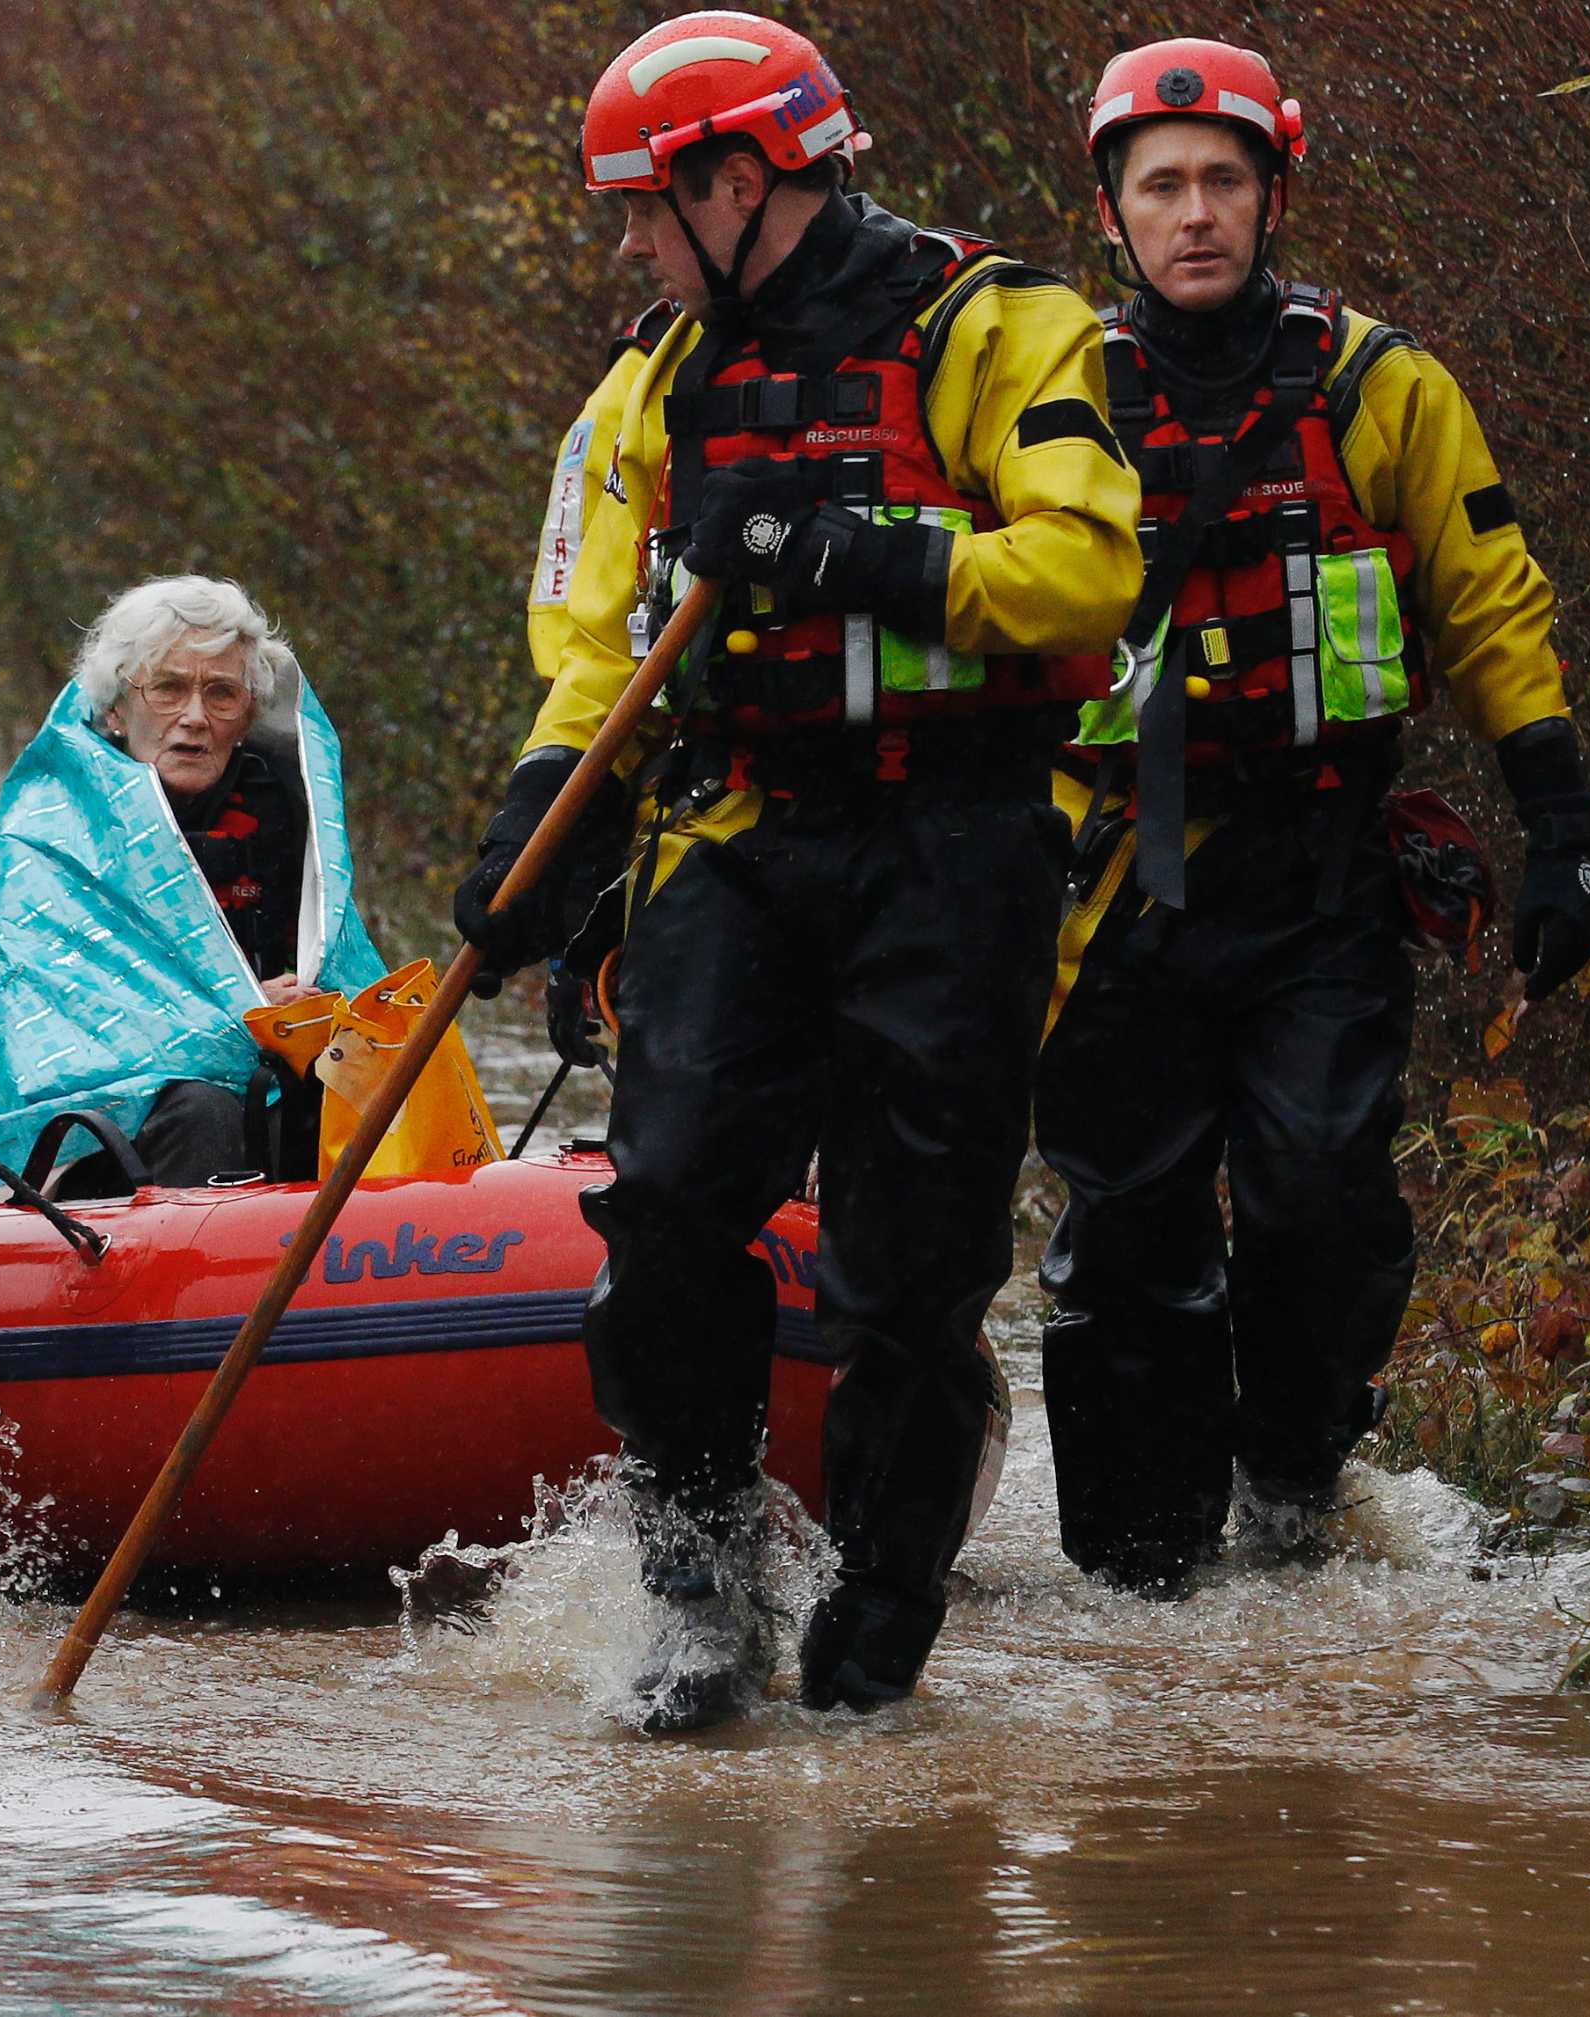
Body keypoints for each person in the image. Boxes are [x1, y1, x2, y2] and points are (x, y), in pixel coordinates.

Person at [457, 11, 1141, 1730]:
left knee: (913, 1269)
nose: (627, 247)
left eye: (640, 208)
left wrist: (854, 552)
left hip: (959, 840)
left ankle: (883, 1620)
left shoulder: (1005, 323)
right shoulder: (654, 383)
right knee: (670, 1206)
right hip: (741, 831)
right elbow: (593, 636)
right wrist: (542, 811)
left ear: (741, 180)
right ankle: (699, 1588)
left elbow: (1082, 570)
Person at [1033, 39, 1590, 1591]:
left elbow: (1492, 602)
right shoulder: (1049, 391)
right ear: (1112, 212)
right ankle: (1141, 1578)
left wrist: (1559, 828)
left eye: (1225, 180)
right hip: (1115, 886)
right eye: (1163, 186)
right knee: (1134, 1226)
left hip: (1320, 873)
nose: (1196, 213)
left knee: (1322, 1198)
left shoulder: (1378, 385)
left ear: (1274, 193)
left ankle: (1290, 1484)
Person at [0, 576, 386, 1212]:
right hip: (96, 1142)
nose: (194, 717)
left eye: (221, 694)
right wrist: (247, 1014)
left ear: (248, 714)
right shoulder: (45, 837)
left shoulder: (291, 827)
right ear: (116, 709)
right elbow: (58, 1041)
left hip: (267, 1091)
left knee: (347, 1082)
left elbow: (327, 972)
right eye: (168, 689)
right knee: (202, 1110)